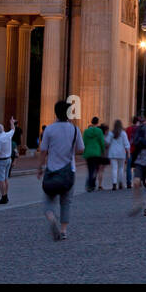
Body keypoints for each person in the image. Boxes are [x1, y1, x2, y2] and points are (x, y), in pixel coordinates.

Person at [37, 100, 85, 241]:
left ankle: (51, 217)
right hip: (69, 171)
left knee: (48, 201)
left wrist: (40, 167)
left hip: (52, 170)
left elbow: (43, 151)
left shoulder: (49, 130)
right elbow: (81, 149)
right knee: (66, 202)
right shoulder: (75, 130)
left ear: (56, 113)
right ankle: (63, 230)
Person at [0, 116, 17, 204]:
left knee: (0, 179)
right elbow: (13, 129)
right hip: (8, 159)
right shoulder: (7, 135)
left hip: (1, 160)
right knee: (5, 179)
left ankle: (4, 197)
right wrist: (12, 122)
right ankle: (6, 195)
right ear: (2, 129)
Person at [82, 116, 106, 191]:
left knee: (90, 169)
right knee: (95, 169)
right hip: (96, 152)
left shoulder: (86, 131)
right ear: (97, 122)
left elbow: (84, 142)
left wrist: (84, 151)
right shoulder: (99, 131)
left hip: (88, 153)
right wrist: (103, 151)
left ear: (91, 122)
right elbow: (102, 142)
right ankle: (91, 184)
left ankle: (90, 184)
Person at [106, 119, 130, 191]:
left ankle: (114, 184)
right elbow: (126, 144)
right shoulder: (123, 133)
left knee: (114, 169)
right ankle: (120, 183)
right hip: (121, 153)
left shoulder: (111, 133)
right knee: (121, 169)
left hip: (113, 153)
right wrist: (128, 153)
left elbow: (107, 142)